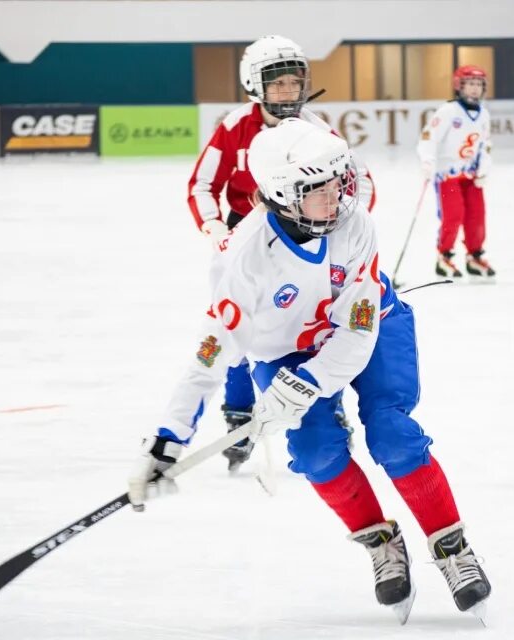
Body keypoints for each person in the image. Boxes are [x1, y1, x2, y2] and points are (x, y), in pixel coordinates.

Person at [129, 119, 491, 621]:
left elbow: (357, 332)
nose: (336, 194)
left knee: (392, 433)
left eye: (336, 179)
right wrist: (169, 438)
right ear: (281, 194)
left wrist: (311, 383)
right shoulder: (242, 262)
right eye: (316, 187)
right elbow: (210, 357)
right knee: (315, 451)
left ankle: (452, 547)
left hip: (373, 327)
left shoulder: (355, 224)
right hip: (286, 352)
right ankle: (380, 542)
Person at [187, 35, 374, 470]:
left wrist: (348, 238)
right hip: (249, 245)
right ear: (255, 86)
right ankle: (238, 410)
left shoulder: (319, 130)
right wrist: (215, 227)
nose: (289, 92)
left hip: (307, 240)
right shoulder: (235, 127)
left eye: (296, 82)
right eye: (278, 84)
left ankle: (325, 401)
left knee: (319, 326)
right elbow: (202, 185)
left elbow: (359, 186)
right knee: (235, 329)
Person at [417, 65, 495, 280]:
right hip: (447, 174)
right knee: (453, 216)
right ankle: (444, 256)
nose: (474, 89)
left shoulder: (484, 115)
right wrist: (427, 160)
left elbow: (485, 144)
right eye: (470, 84)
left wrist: (484, 168)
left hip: (471, 176)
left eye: (478, 85)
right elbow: (428, 137)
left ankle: (474, 256)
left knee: (477, 216)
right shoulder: (448, 111)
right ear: (459, 86)